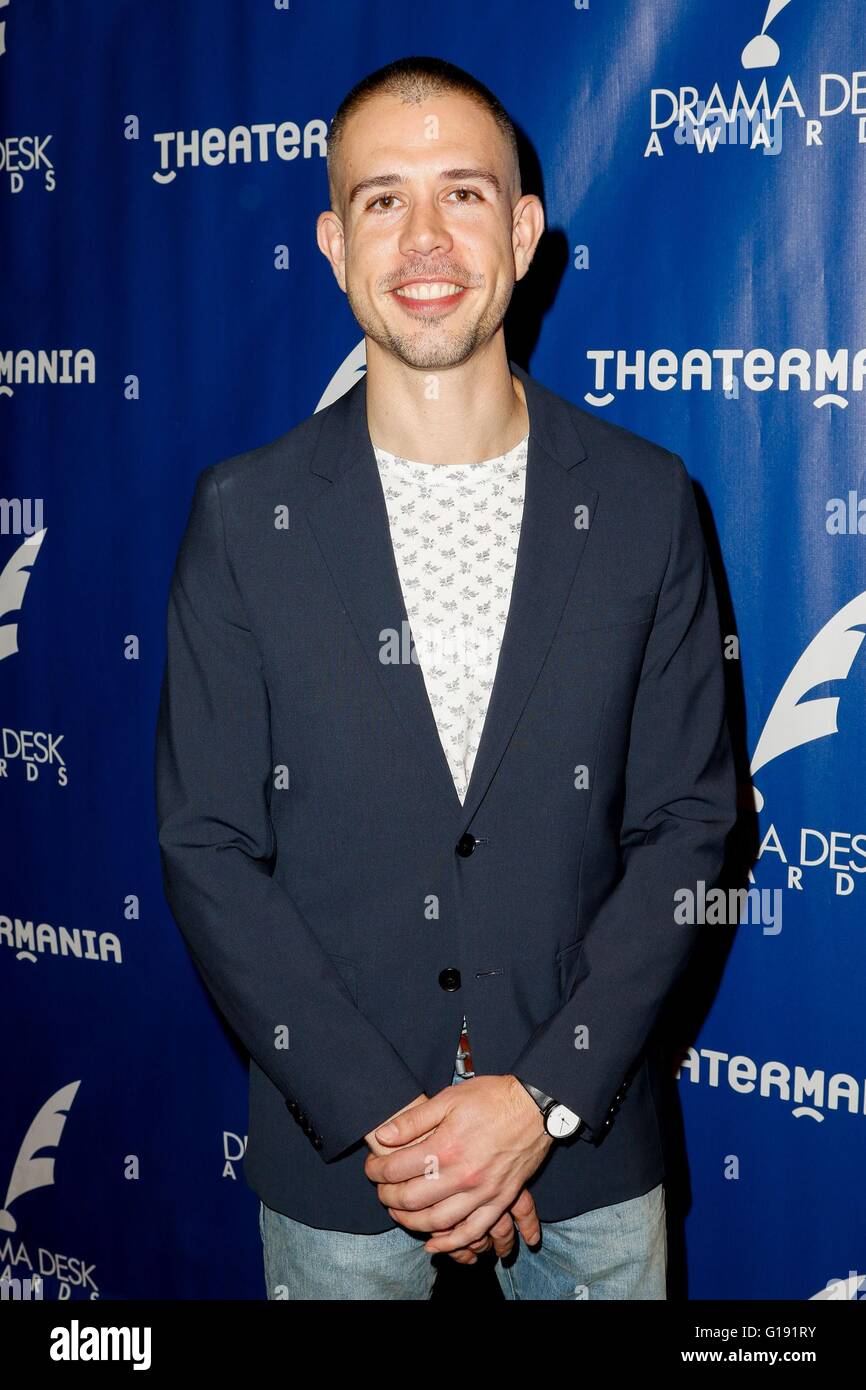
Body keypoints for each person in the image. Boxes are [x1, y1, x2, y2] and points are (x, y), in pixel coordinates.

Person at [155, 55, 737, 1301]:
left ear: (522, 231)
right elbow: (206, 845)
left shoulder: (644, 504)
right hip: (342, 1166)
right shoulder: (241, 514)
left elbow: (689, 824)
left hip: (587, 1146)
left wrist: (537, 1101)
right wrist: (395, 1123)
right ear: (331, 238)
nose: (423, 237)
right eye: (381, 200)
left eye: (463, 195)